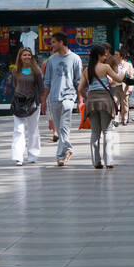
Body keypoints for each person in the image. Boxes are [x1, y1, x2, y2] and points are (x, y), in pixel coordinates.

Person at [43, 32, 82, 166]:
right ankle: (68, 149)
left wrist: (80, 100)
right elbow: (47, 81)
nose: (52, 44)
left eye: (53, 42)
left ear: (61, 42)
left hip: (69, 96)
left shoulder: (75, 58)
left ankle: (60, 155)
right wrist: (44, 100)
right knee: (59, 129)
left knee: (64, 126)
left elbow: (78, 81)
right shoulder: (51, 60)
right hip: (54, 97)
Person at [79, 45, 119, 169]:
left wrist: (87, 98)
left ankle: (96, 162)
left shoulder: (87, 70)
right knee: (107, 131)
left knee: (95, 132)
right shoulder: (105, 67)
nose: (106, 56)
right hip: (105, 101)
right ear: (99, 55)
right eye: (104, 55)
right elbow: (117, 79)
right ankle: (109, 161)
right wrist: (125, 73)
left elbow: (80, 89)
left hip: (91, 102)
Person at [8, 46, 44, 166]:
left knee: (33, 129)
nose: (27, 57)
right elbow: (14, 85)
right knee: (18, 130)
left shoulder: (36, 70)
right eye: (24, 55)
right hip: (19, 102)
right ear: (20, 57)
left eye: (29, 55)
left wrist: (42, 103)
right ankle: (18, 157)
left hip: (33, 103)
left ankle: (33, 155)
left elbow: (41, 87)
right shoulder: (15, 70)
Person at [112, 49, 134, 126]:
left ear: (121, 56)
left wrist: (131, 87)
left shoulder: (128, 65)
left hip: (125, 86)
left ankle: (124, 119)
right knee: (115, 102)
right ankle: (116, 119)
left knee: (124, 104)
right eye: (115, 54)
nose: (115, 56)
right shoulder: (113, 64)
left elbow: (131, 76)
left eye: (117, 54)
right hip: (116, 86)